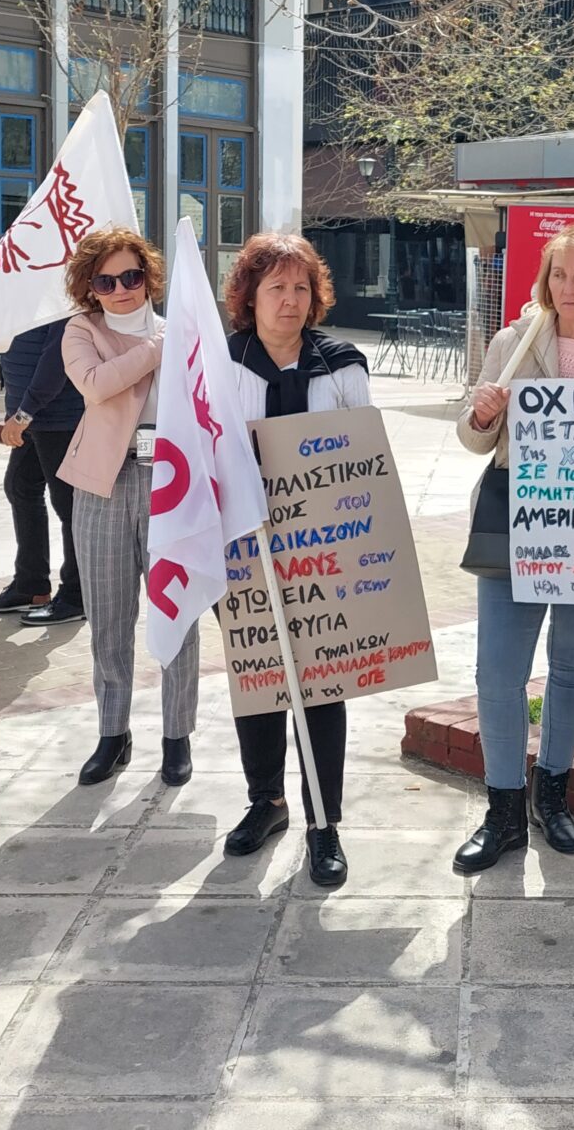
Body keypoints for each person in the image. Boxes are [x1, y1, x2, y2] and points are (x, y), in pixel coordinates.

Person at [453, 226, 574, 875]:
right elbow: (473, 436)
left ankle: (553, 796)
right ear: (546, 281)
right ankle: (504, 810)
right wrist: (482, 414)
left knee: (571, 668)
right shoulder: (514, 343)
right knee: (498, 672)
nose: (569, 288)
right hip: (516, 518)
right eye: (559, 275)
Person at [220, 233, 372, 889]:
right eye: (275, 287)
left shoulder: (342, 365)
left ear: (315, 298)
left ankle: (324, 823)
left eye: (300, 287)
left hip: (323, 553)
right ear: (249, 296)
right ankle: (267, 802)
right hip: (244, 550)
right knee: (258, 680)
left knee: (321, 687)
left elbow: (363, 459)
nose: (289, 299)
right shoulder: (221, 367)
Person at [59, 227, 194, 788]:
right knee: (108, 619)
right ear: (90, 287)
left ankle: (176, 735)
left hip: (172, 484)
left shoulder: (179, 328)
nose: (120, 290)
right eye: (106, 280)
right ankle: (113, 734)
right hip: (101, 485)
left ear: (149, 277)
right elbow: (94, 385)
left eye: (131, 277)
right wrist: (159, 350)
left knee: (177, 614)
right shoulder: (81, 329)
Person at [0, 321, 86, 625]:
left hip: (58, 418)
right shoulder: (24, 294)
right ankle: (31, 585)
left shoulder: (58, 294)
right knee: (20, 487)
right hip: (30, 417)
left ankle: (77, 596)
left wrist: (24, 413)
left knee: (68, 505)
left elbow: (56, 361)